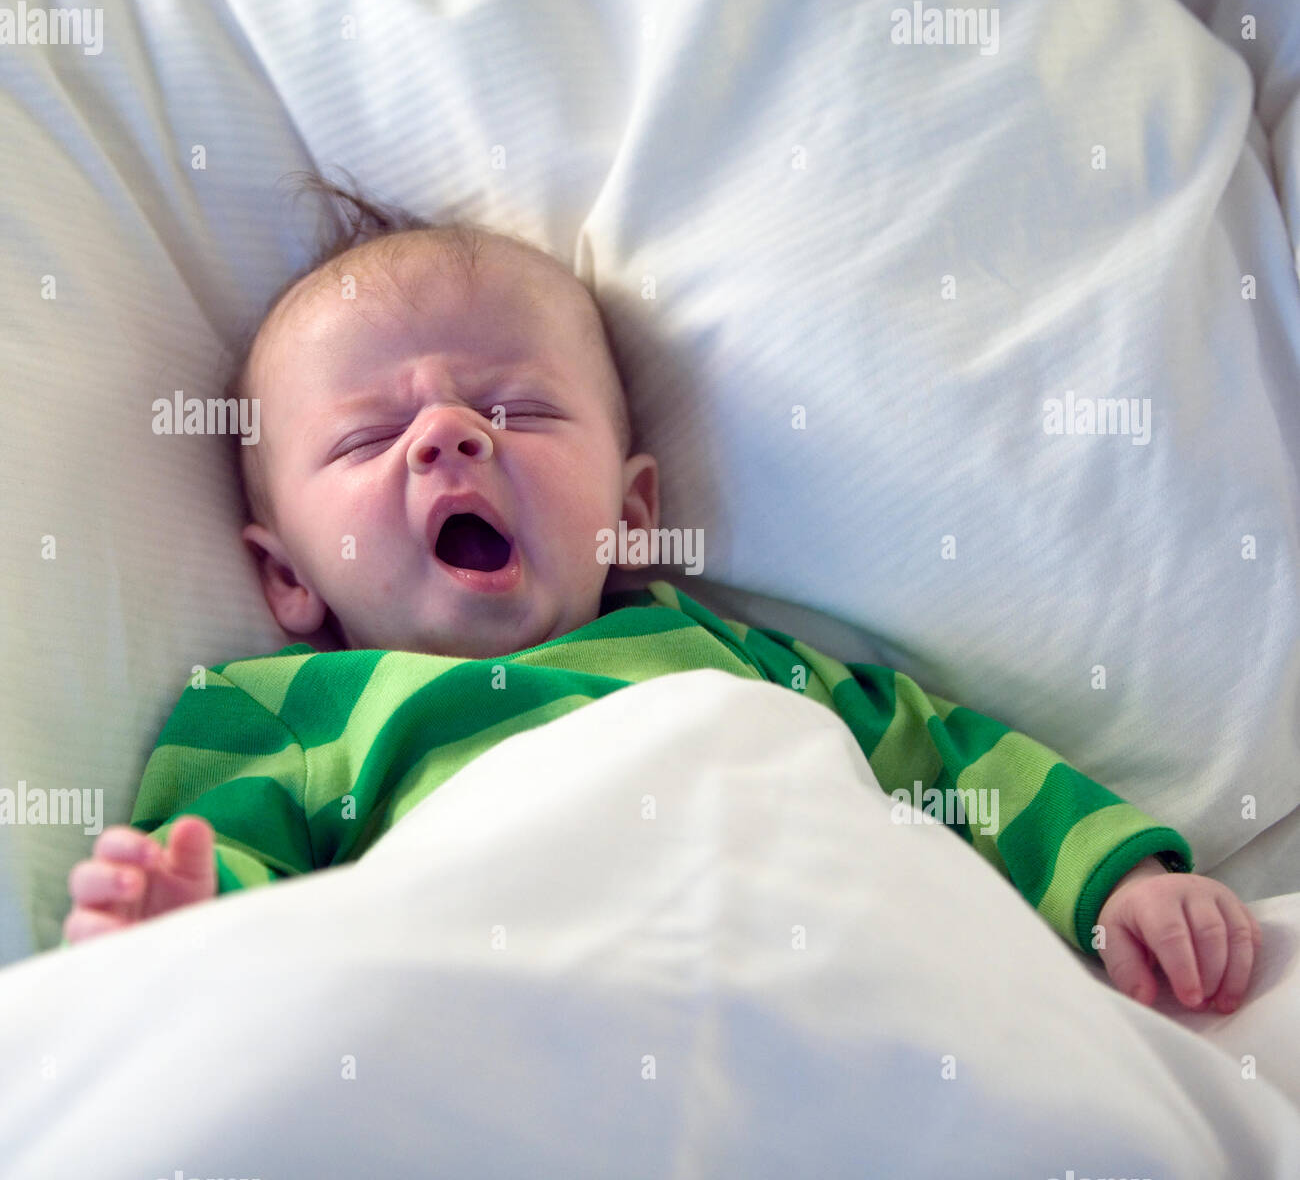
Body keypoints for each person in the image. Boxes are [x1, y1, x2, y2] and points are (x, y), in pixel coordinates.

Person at [63, 177, 1262, 1017]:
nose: (446, 437)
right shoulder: (291, 711)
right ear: (285, 575)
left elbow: (949, 762)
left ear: (634, 514)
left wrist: (1120, 882)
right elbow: (233, 907)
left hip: (826, 985)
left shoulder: (728, 661)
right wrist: (184, 916)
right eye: (371, 435)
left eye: (515, 409)